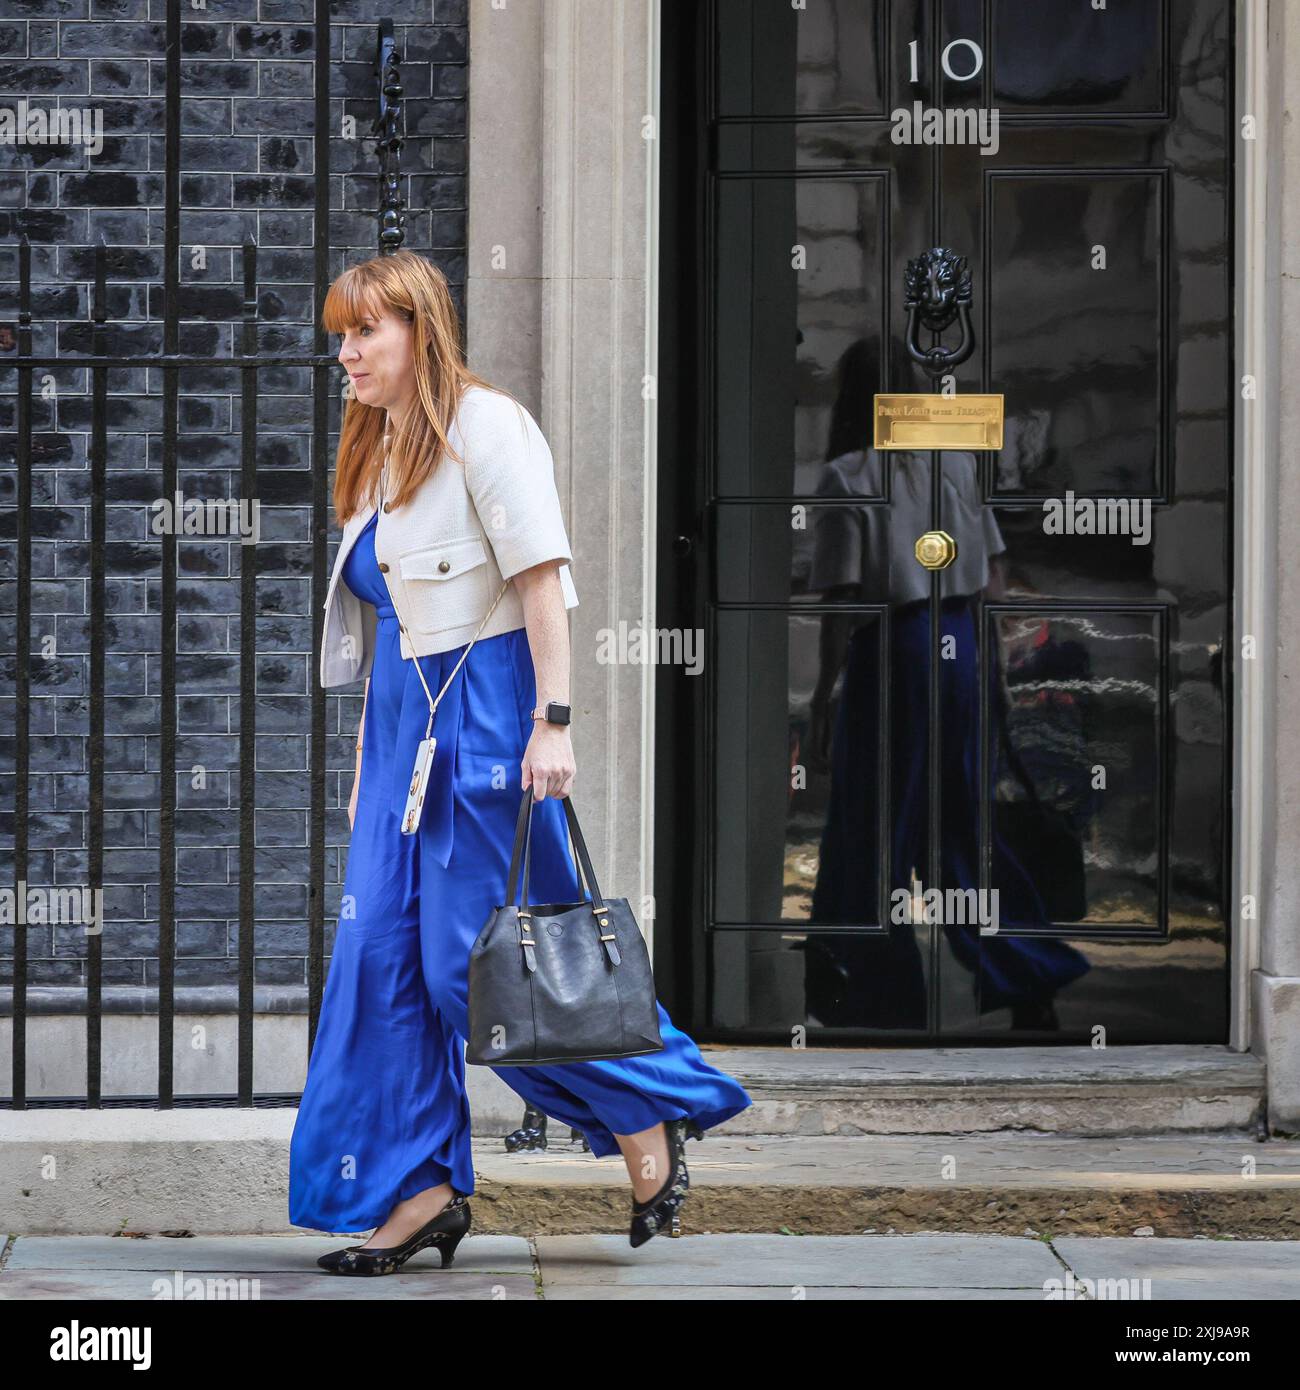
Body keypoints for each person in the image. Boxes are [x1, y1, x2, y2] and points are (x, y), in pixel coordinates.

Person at [287, 250, 752, 1274]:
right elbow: (397, 631)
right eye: (340, 336)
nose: (348, 353)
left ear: (421, 327)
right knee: (376, 964)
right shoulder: (373, 448)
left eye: (365, 332)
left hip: (491, 714)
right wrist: (372, 759)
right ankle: (418, 1191)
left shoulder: (487, 427)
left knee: (474, 974)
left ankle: (646, 1118)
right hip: (405, 729)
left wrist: (555, 720)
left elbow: (542, 580)